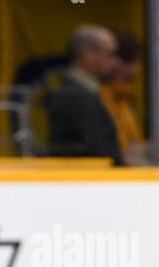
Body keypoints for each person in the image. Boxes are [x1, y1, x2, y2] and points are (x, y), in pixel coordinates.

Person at [45, 25, 123, 162]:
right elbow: (96, 149)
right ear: (87, 55)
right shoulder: (76, 96)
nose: (115, 62)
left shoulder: (85, 92)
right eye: (110, 54)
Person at [100, 32, 149, 166]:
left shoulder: (123, 99)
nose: (137, 70)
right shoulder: (100, 98)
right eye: (133, 62)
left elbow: (134, 145)